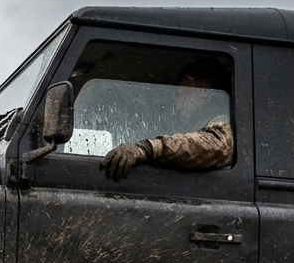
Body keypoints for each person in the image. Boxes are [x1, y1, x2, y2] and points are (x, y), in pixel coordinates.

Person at [99, 58, 236, 181]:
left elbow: (216, 146)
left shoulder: (224, 123)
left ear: (206, 93)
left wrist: (149, 148)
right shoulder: (185, 123)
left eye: (182, 90)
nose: (176, 98)